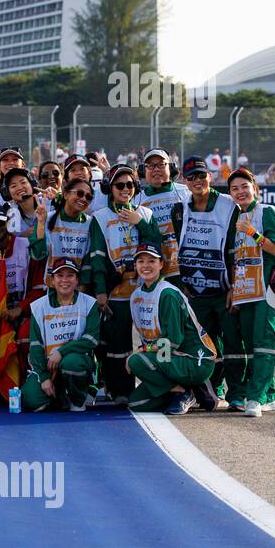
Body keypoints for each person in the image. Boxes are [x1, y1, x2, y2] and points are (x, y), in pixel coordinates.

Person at [87, 164, 162, 404]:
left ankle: (160, 386)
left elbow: (157, 246)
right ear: (110, 188)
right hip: (116, 292)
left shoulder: (146, 214)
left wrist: (138, 222)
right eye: (120, 185)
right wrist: (100, 291)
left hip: (144, 290)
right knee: (118, 343)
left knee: (154, 340)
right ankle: (119, 388)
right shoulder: (100, 217)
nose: (126, 189)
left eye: (130, 185)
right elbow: (97, 256)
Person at [222, 168, 275, 418]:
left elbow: (274, 248)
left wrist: (252, 232)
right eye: (234, 189)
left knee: (264, 344)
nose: (240, 192)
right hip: (245, 291)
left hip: (268, 290)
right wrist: (233, 290)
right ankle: (270, 394)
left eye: (244, 186)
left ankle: (256, 398)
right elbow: (234, 259)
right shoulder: (237, 218)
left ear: (255, 189)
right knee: (252, 345)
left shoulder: (266, 212)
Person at [169, 156, 234, 408]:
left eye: (201, 175)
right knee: (203, 345)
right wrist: (184, 282)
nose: (197, 180)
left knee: (231, 343)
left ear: (210, 176)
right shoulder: (180, 209)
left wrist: (235, 286)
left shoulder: (229, 205)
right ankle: (208, 391)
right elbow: (178, 247)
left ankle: (236, 394)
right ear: (185, 181)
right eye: (191, 177)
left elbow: (235, 247)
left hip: (225, 288)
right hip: (195, 290)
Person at [127, 245, 219, 415]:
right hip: (169, 358)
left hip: (194, 359)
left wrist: (143, 350)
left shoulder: (167, 294)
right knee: (136, 403)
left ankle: (185, 391)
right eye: (141, 261)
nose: (145, 266)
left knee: (136, 360)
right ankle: (182, 391)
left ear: (161, 264)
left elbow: (173, 342)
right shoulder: (137, 296)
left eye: (152, 261)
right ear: (135, 265)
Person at [0, 202, 43, 381]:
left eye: (0, 222)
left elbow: (38, 288)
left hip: (23, 310)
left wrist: (20, 309)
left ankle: (28, 381)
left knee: (26, 333)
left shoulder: (26, 246)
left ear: (8, 222)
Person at [21, 257, 100, 412]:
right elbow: (36, 346)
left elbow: (91, 339)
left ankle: (78, 399)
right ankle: (60, 396)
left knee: (72, 364)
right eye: (60, 275)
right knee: (31, 401)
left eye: (70, 275)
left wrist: (61, 352)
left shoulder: (89, 303)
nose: (65, 280)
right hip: (48, 365)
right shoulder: (39, 307)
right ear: (52, 280)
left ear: (77, 280)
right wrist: (44, 378)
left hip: (76, 360)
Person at [133, 148, 189, 281]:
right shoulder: (135, 200)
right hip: (154, 272)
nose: (156, 169)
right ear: (143, 171)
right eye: (151, 166)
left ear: (171, 168)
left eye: (161, 164)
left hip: (186, 269)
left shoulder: (186, 193)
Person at [30, 177, 95, 289]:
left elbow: (88, 261)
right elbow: (38, 255)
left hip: (78, 289)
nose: (84, 199)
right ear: (65, 194)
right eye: (79, 193)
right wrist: (41, 223)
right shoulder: (48, 218)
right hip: (52, 288)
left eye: (88, 197)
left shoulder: (90, 223)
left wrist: (81, 289)